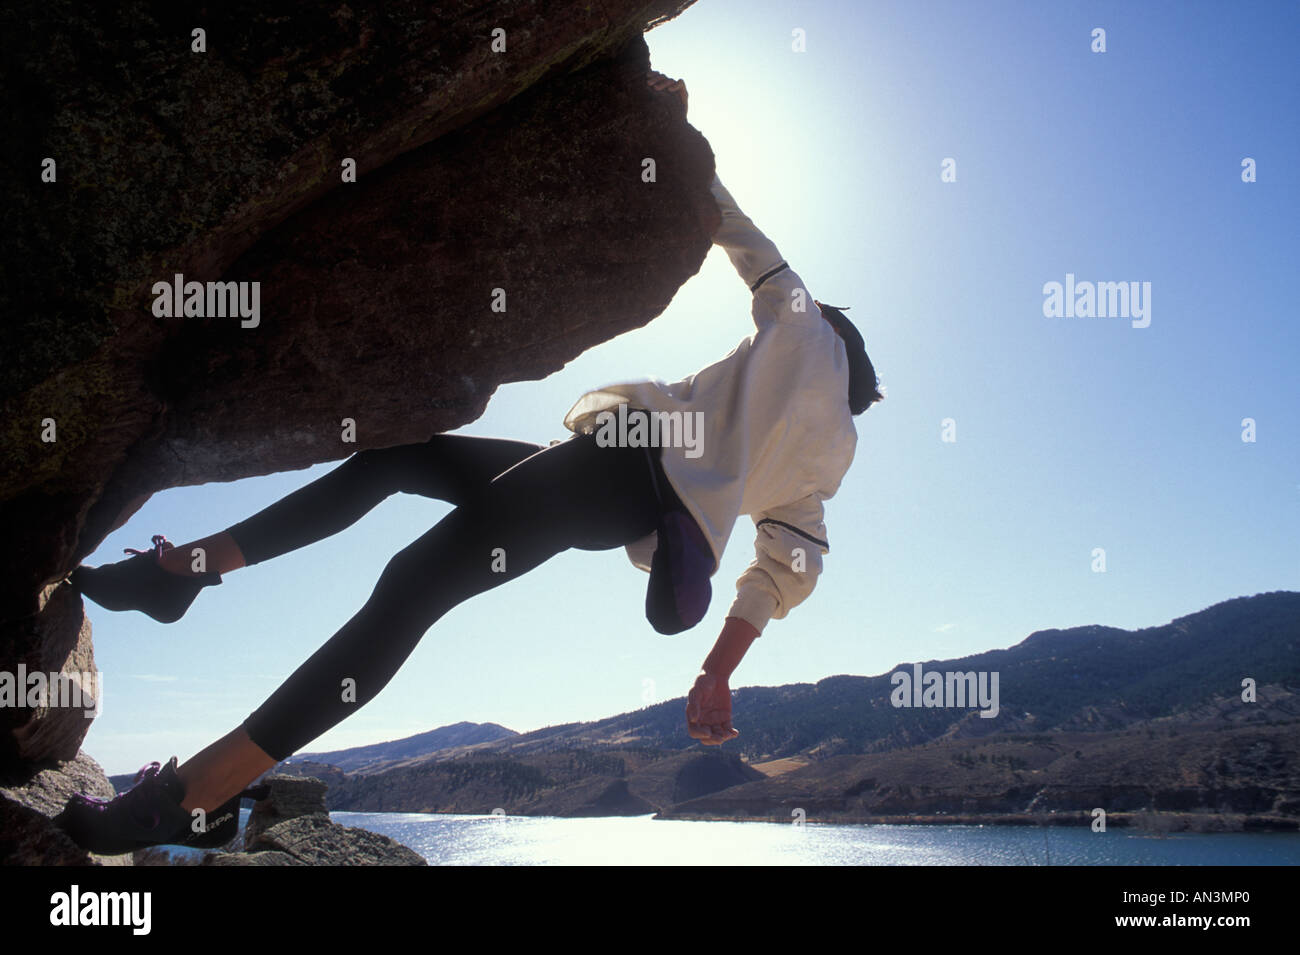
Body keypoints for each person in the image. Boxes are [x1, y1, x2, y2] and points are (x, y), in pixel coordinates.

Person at [56, 72, 883, 853]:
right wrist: (715, 671)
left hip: (611, 472)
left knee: (411, 585)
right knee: (393, 460)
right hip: (605, 493)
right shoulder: (828, 466)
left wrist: (663, 137)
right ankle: (188, 573)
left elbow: (736, 229)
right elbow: (780, 572)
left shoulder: (808, 327)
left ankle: (196, 796)